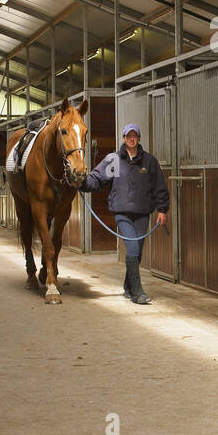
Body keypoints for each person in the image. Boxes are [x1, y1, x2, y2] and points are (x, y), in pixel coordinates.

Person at [78, 124, 169, 305]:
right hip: (122, 213)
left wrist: (162, 209)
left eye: (135, 135)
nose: (131, 139)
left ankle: (128, 287)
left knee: (137, 253)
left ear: (139, 138)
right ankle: (137, 292)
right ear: (124, 138)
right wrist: (81, 182)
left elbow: (160, 187)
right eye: (129, 136)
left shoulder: (149, 161)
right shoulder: (114, 160)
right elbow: (98, 178)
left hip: (143, 213)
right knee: (133, 249)